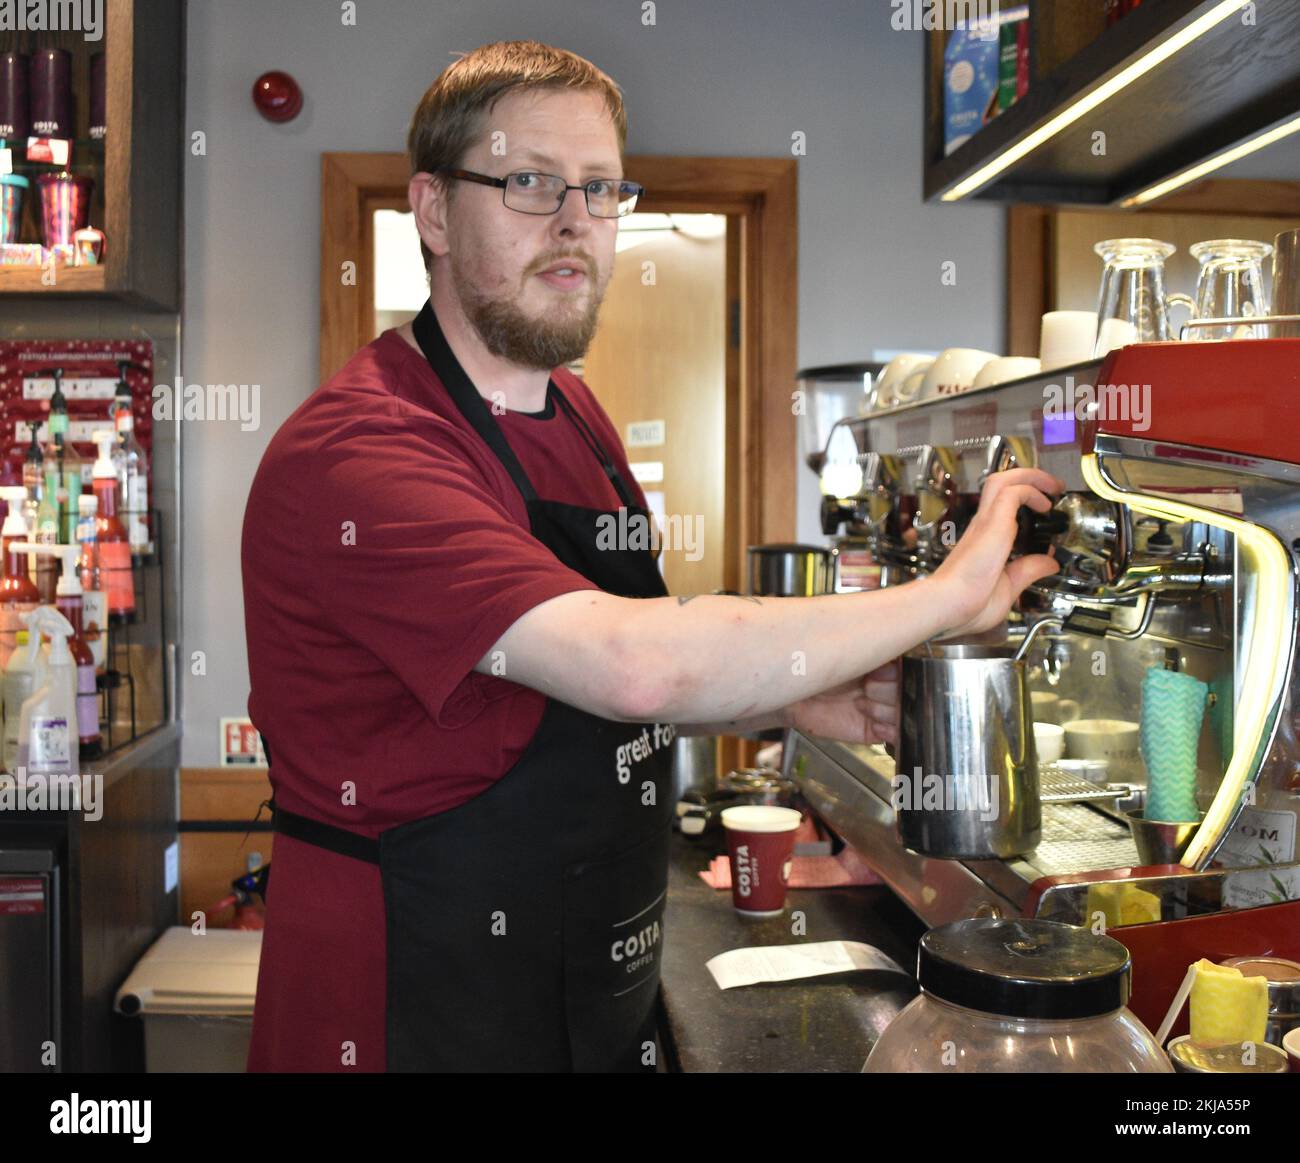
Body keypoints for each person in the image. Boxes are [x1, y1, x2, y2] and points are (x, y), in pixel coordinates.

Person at [240, 39, 1062, 1073]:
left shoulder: (574, 414)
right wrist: (944, 594)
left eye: (601, 187)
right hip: (410, 999)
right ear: (435, 213)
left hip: (585, 979)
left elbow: (587, 687)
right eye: (529, 182)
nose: (576, 221)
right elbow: (636, 660)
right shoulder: (360, 449)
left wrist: (794, 700)